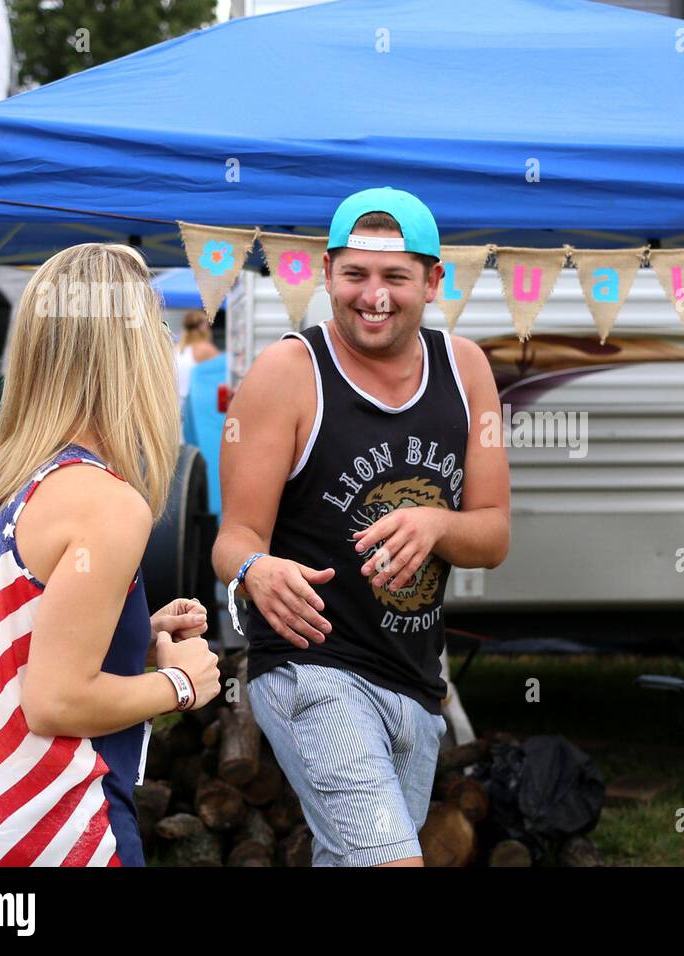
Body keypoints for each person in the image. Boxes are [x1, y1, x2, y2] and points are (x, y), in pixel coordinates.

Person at [0, 243, 221, 867]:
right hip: (49, 831)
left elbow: (8, 644)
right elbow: (54, 701)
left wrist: (130, 636)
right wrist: (182, 683)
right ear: (133, 354)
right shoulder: (106, 501)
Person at [214, 186, 510, 867]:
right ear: (327, 274)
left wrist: (437, 523)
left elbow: (494, 534)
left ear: (433, 281)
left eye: (395, 277)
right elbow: (234, 540)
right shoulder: (288, 373)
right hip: (311, 669)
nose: (373, 295)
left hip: (415, 680)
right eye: (355, 274)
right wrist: (258, 571)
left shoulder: (465, 371)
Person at [175, 309, 220, 402]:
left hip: (176, 402)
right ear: (202, 327)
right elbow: (223, 376)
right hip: (193, 405)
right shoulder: (206, 349)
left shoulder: (177, 349)